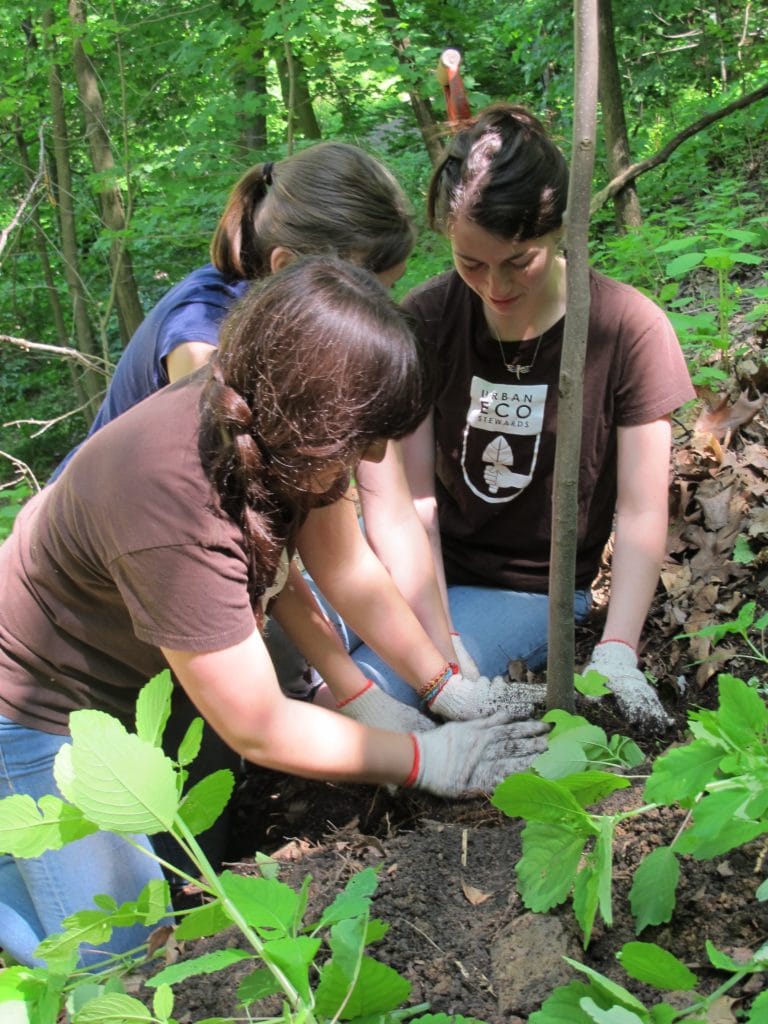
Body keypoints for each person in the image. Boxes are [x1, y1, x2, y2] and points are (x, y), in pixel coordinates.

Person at [0, 259, 548, 969]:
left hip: (140, 674)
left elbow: (344, 571)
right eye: (365, 439)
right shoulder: (170, 499)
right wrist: (429, 758)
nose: (377, 454)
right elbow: (257, 724)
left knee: (175, 891)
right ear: (315, 419)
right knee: (121, 958)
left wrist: (443, 684)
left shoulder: (270, 422)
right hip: (38, 704)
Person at [48, 140, 477, 710]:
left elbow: (380, 515)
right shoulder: (203, 349)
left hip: (239, 562)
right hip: (120, 588)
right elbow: (262, 548)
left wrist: (445, 666)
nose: (383, 308)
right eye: (374, 288)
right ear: (288, 268)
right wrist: (354, 694)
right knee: (277, 693)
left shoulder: (317, 342)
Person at [349, 104, 696, 728]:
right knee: (284, 653)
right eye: (470, 263)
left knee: (357, 694)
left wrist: (618, 651)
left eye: (518, 261)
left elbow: (643, 510)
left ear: (559, 231)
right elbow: (414, 503)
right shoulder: (425, 319)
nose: (494, 287)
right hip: (417, 563)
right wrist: (438, 638)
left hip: (530, 590)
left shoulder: (628, 328)